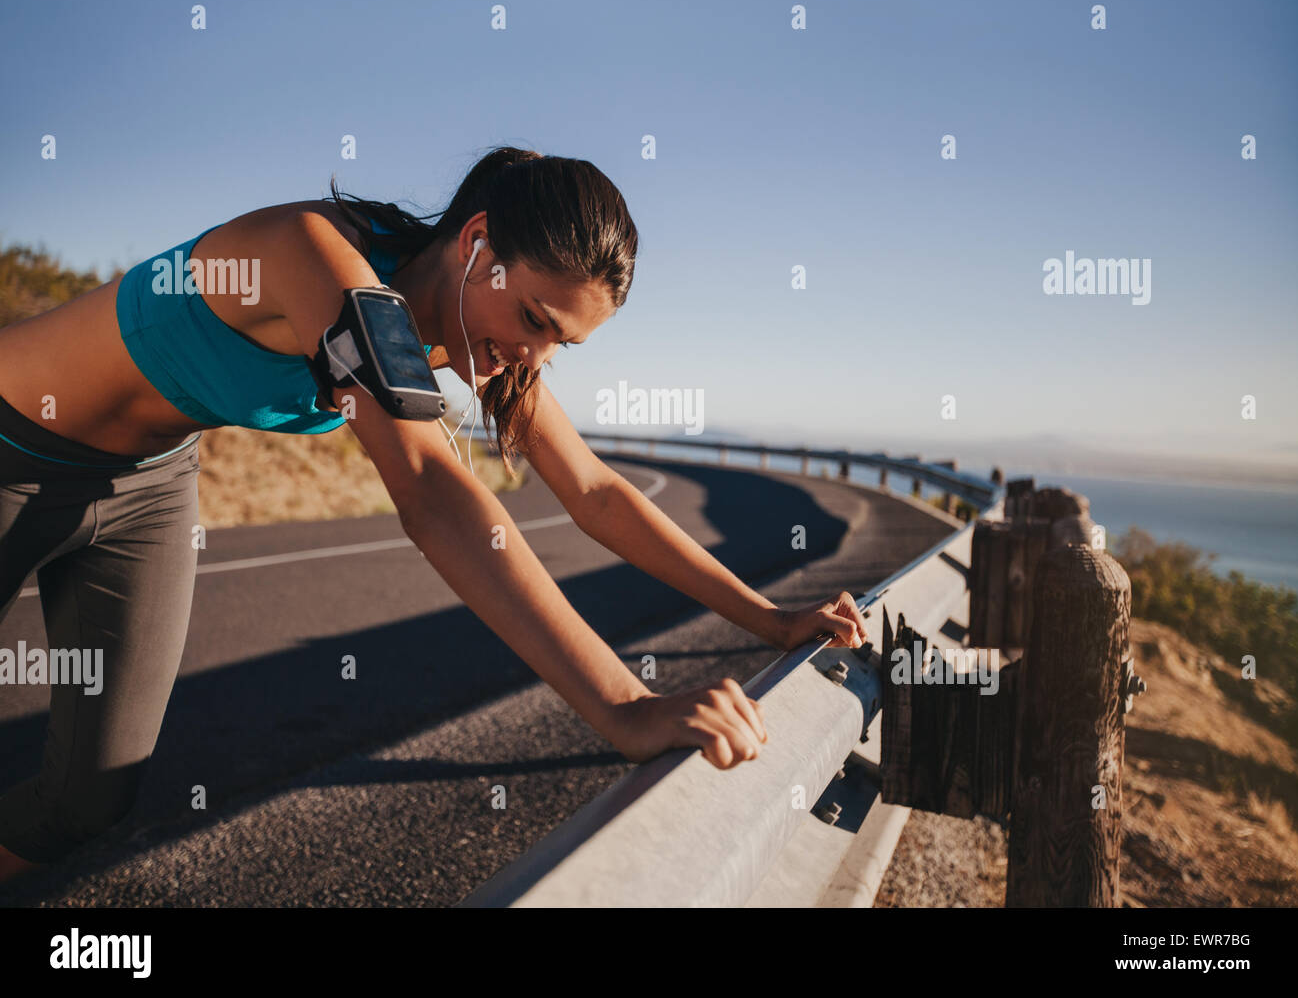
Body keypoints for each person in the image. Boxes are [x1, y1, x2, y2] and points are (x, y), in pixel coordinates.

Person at [0, 146, 867, 883]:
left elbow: (597, 492)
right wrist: (626, 708)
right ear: (477, 239)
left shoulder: (475, 339)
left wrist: (771, 618)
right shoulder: (317, 257)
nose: (532, 355)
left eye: (560, 341)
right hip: (12, 444)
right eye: (532, 317)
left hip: (148, 485)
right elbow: (429, 487)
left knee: (88, 799)